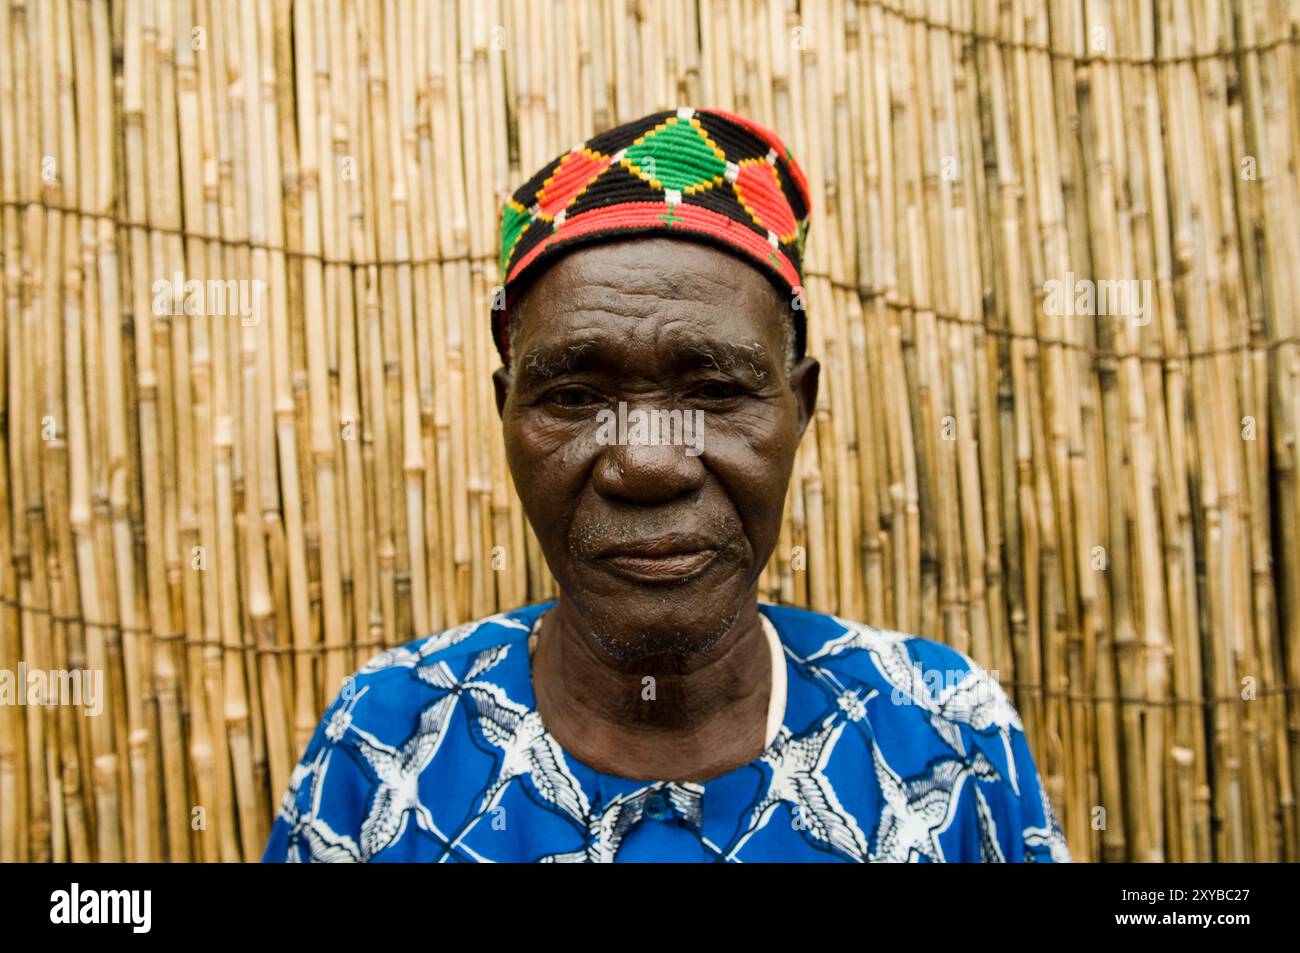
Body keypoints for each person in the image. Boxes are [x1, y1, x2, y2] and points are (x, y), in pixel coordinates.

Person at [264, 106, 1070, 862]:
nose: (648, 464)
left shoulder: (943, 733)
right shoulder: (384, 745)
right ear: (506, 411)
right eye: (575, 398)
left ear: (800, 408)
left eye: (716, 393)